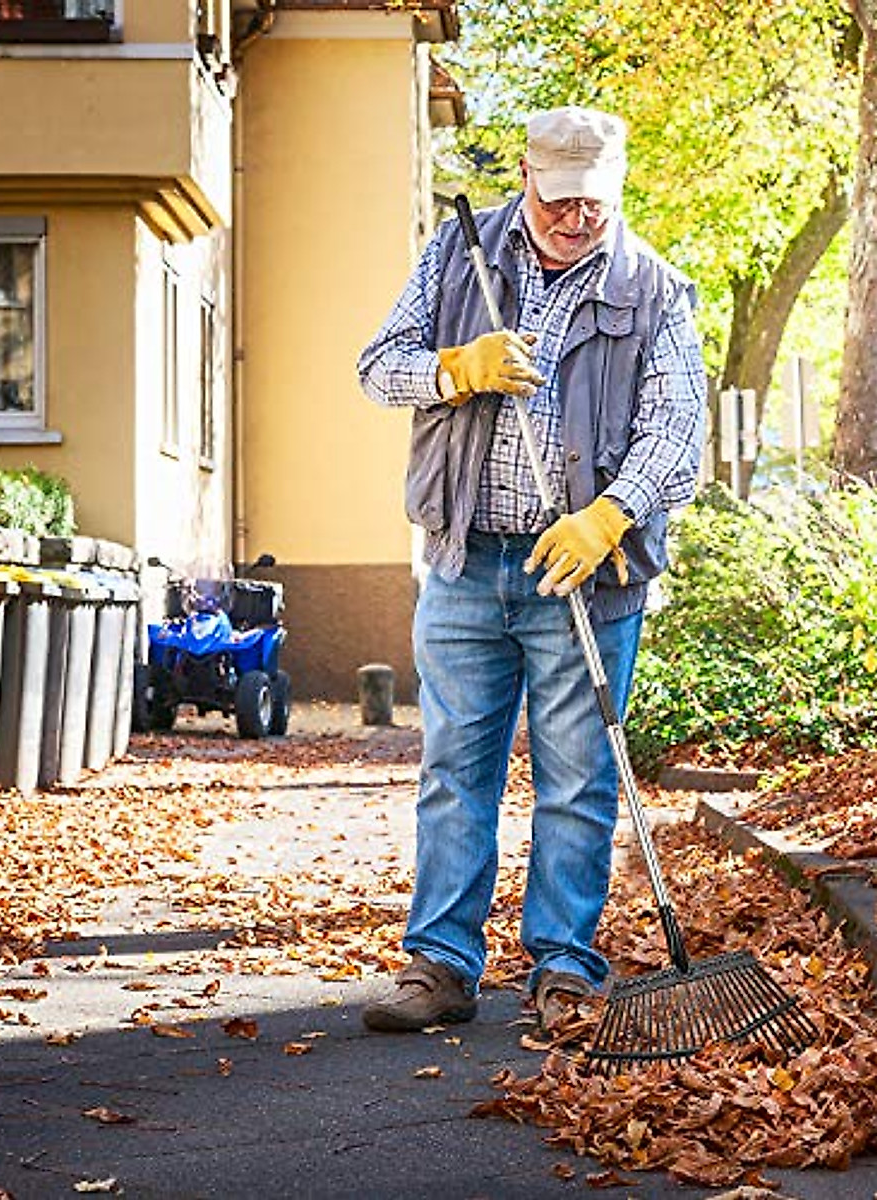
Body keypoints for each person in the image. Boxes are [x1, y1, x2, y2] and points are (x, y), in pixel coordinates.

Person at [356, 105, 706, 1034]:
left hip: (584, 579)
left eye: (592, 202)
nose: (575, 219)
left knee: (578, 779)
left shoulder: (654, 290)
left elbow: (678, 435)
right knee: (454, 772)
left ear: (616, 188)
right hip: (465, 562)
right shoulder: (458, 257)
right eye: (559, 201)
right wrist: (455, 368)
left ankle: (563, 966)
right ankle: (440, 966)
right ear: (526, 176)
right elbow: (376, 369)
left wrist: (611, 514)